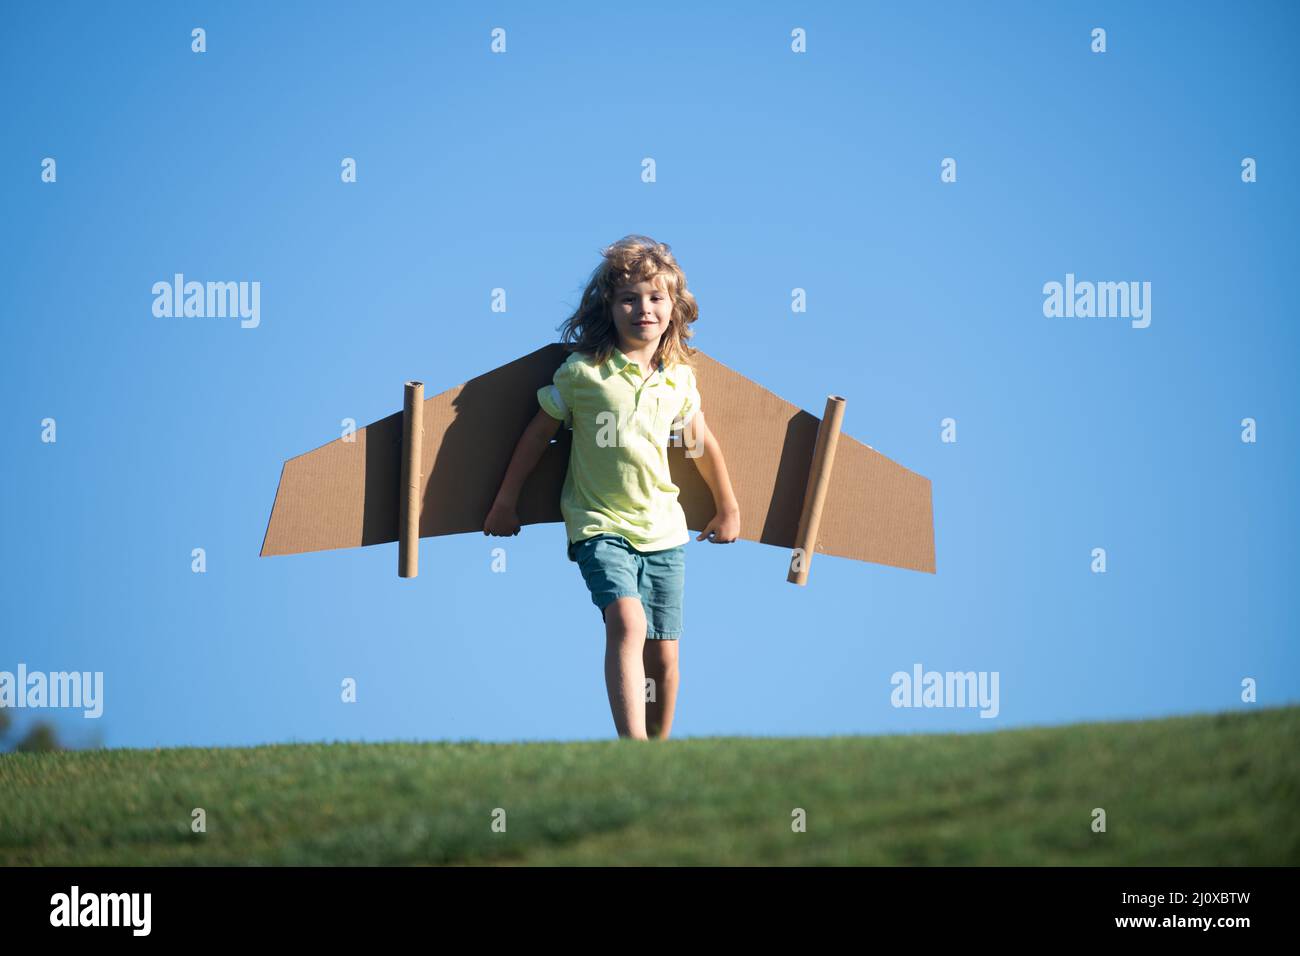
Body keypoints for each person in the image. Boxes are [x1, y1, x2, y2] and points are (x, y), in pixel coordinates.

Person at [484, 235, 740, 740]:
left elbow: (700, 445)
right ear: (609, 307)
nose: (643, 308)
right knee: (626, 621)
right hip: (599, 524)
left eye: (655, 298)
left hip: (665, 531)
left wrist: (727, 507)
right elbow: (536, 436)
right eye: (629, 298)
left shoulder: (679, 381)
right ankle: (633, 748)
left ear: (673, 308)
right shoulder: (583, 374)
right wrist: (505, 502)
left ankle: (661, 756)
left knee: (664, 656)